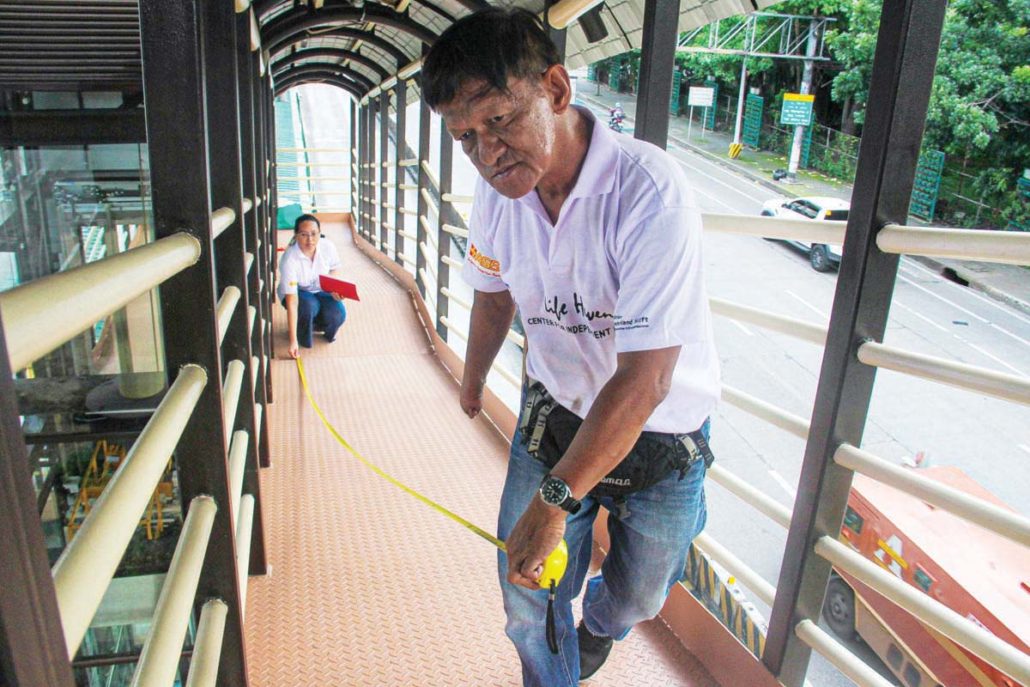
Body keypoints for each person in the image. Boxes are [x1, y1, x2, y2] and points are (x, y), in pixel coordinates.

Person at [422, 9, 719, 687]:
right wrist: (472, 379)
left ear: (556, 89)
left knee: (644, 591)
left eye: (499, 121)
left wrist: (553, 504)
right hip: (555, 411)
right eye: (467, 138)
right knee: (527, 599)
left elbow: (644, 380)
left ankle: (600, 627)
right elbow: (494, 290)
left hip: (661, 430)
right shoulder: (500, 192)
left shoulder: (650, 194)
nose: (488, 154)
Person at [277, 214, 347, 358]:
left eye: (314, 234)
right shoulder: (289, 259)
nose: (310, 240)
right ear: (296, 235)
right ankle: (302, 335)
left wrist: (334, 286)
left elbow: (335, 268)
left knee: (338, 314)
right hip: (299, 291)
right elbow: (292, 302)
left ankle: (317, 325)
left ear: (319, 233)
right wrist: (293, 342)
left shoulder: (328, 246)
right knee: (309, 306)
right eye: (304, 235)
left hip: (322, 288)